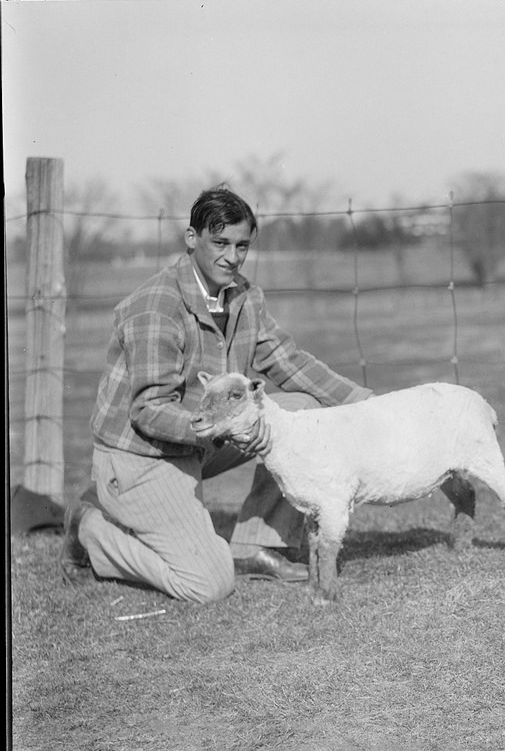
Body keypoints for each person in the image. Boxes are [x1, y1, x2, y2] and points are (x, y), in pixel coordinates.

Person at [59, 186, 373, 603]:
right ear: (192, 239)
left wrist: (367, 404)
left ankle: (255, 545)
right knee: (208, 584)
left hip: (203, 439)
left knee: (304, 409)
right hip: (142, 455)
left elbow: (290, 363)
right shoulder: (158, 305)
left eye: (242, 245)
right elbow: (148, 411)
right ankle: (91, 530)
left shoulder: (244, 296)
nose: (232, 256)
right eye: (220, 242)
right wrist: (227, 427)